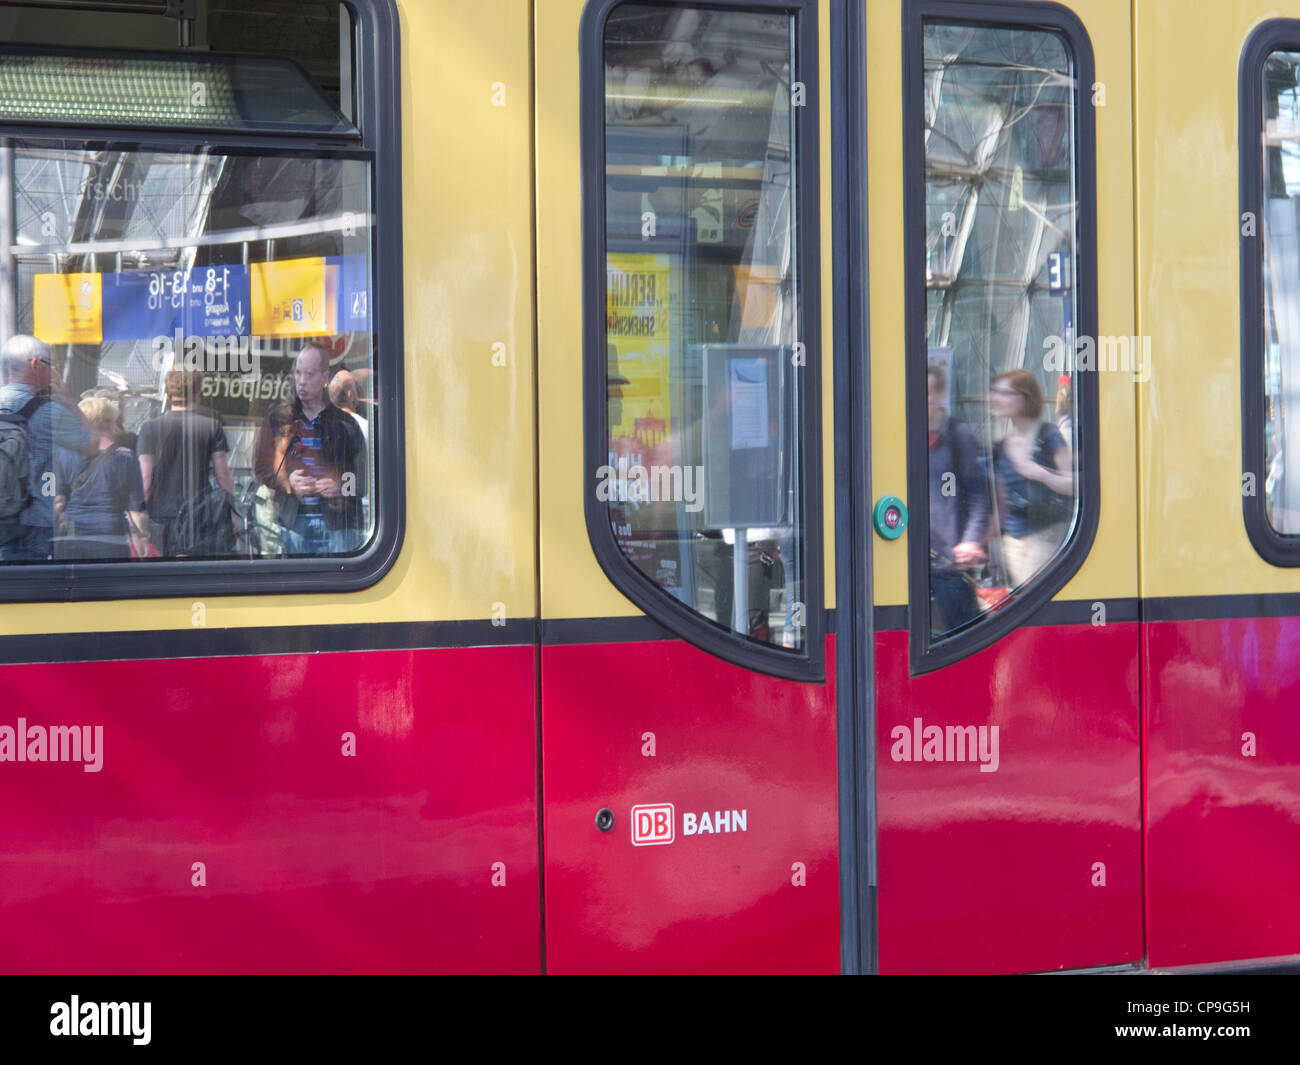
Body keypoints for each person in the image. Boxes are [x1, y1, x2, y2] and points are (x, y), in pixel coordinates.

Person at [254, 342, 366, 555]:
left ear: (325, 378)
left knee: (336, 587)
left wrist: (342, 486)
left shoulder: (345, 424)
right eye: (298, 373)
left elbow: (366, 478)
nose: (302, 381)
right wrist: (288, 483)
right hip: (293, 526)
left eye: (310, 374)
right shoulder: (278, 419)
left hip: (338, 527)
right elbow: (261, 470)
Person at [0, 334, 96, 561]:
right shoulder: (49, 412)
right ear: (35, 364)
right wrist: (68, 399)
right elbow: (95, 445)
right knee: (29, 591)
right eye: (50, 365)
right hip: (32, 525)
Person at [989, 369, 1074, 588]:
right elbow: (1000, 504)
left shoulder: (1049, 435)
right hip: (1012, 544)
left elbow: (1074, 484)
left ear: (1023, 398)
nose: (995, 398)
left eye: (1004, 393)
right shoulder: (1001, 446)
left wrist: (1041, 474)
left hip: (1045, 536)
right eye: (995, 392)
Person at [137, 369, 236, 556]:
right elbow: (222, 475)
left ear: (168, 393)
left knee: (163, 574)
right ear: (197, 395)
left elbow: (145, 478)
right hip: (200, 516)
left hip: (160, 517)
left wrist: (139, 513)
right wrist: (233, 512)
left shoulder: (149, 428)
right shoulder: (211, 426)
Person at [926, 365, 990, 634]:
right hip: (910, 559)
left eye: (927, 392)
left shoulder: (957, 435)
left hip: (949, 563)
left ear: (940, 394)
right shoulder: (900, 435)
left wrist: (971, 539)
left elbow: (978, 494)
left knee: (962, 633)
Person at [53, 396, 148, 560]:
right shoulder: (125, 457)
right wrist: (141, 538)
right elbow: (136, 509)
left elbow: (59, 500)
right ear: (109, 422)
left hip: (73, 531)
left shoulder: (63, 453)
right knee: (108, 583)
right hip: (110, 533)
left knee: (75, 583)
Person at [328, 369, 370, 445]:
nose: (358, 392)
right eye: (356, 387)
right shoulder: (365, 427)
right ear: (350, 396)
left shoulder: (326, 427)